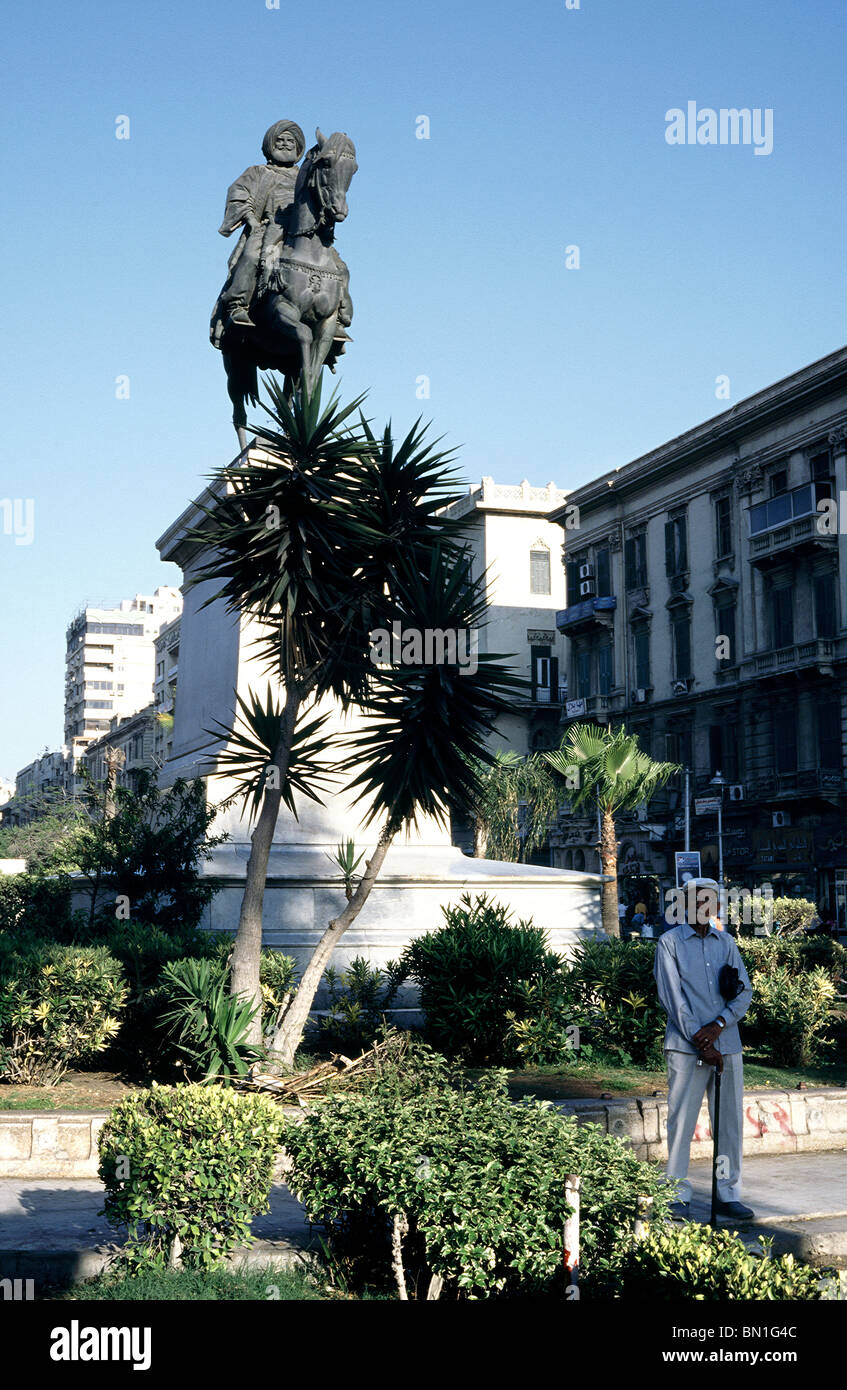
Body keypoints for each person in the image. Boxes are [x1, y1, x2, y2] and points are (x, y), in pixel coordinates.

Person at [654, 877, 754, 1221]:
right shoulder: (669, 943)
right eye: (697, 899)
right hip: (685, 1049)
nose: (704, 906)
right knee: (681, 1122)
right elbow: (672, 998)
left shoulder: (726, 943)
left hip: (726, 1046)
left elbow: (743, 992)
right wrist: (701, 1038)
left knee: (728, 1124)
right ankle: (676, 1193)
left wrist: (718, 1027)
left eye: (710, 900)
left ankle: (727, 1192)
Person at [216, 119, 306, 329]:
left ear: (298, 146)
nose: (285, 144)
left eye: (290, 141)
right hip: (267, 227)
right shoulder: (257, 172)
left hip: (300, 232)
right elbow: (239, 194)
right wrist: (250, 219)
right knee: (251, 256)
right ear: (271, 144)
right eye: (280, 140)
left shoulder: (304, 176)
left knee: (336, 265)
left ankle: (337, 318)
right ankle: (237, 305)